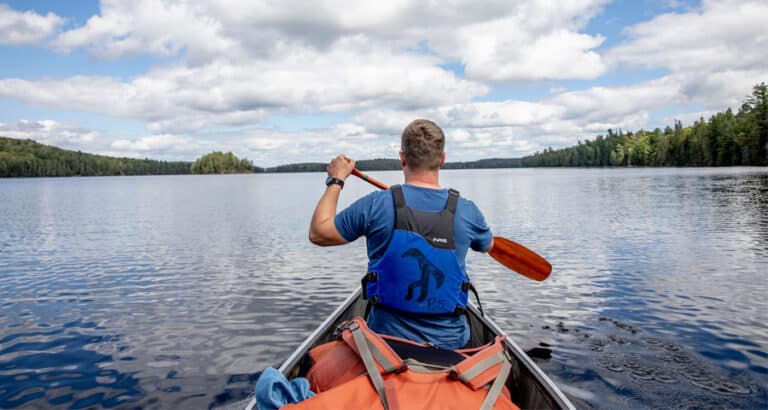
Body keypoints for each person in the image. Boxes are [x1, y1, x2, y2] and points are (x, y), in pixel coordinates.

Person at [308, 119, 493, 349]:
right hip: (452, 344)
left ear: (402, 158)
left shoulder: (375, 205)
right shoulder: (468, 211)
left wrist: (336, 179)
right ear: (442, 159)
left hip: (385, 343)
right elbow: (487, 246)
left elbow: (318, 233)